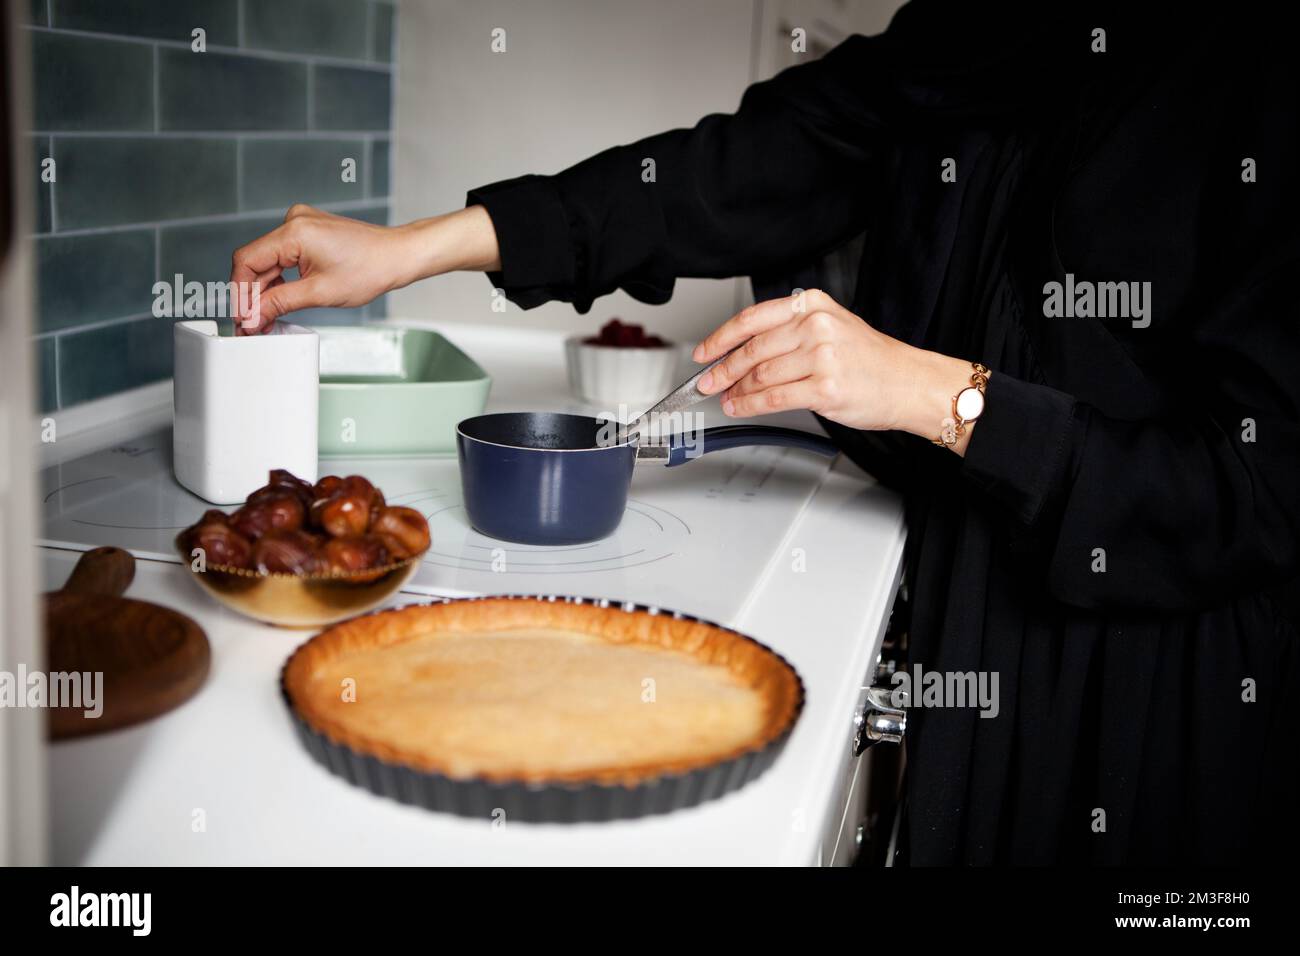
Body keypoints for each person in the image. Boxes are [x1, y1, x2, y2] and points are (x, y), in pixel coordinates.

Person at [230, 3, 1299, 864]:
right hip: (962, 615)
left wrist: (939, 394)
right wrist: (413, 249)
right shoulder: (973, 33)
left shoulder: (1254, 62)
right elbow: (721, 174)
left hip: (1151, 698)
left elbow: (1250, 491)